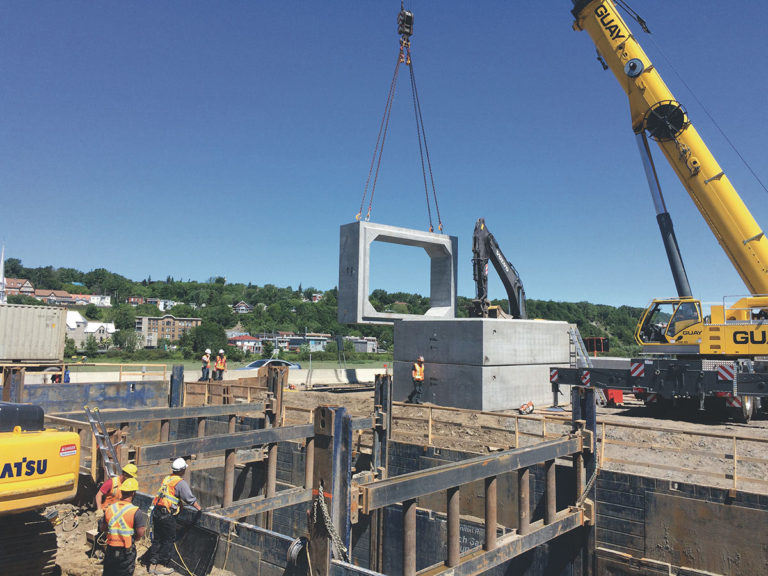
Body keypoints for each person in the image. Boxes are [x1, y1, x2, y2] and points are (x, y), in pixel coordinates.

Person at [147, 458, 202, 575]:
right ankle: (161, 565)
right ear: (182, 470)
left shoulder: (167, 479)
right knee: (168, 539)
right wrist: (200, 509)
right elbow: (189, 499)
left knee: (157, 539)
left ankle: (152, 564)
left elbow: (171, 496)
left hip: (157, 512)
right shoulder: (180, 483)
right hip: (166, 515)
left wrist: (179, 504)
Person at [99, 477, 146, 576]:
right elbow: (140, 532)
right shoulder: (136, 511)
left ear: (122, 492)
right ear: (133, 493)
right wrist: (135, 539)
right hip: (126, 551)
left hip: (111, 549)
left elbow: (103, 528)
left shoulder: (110, 508)